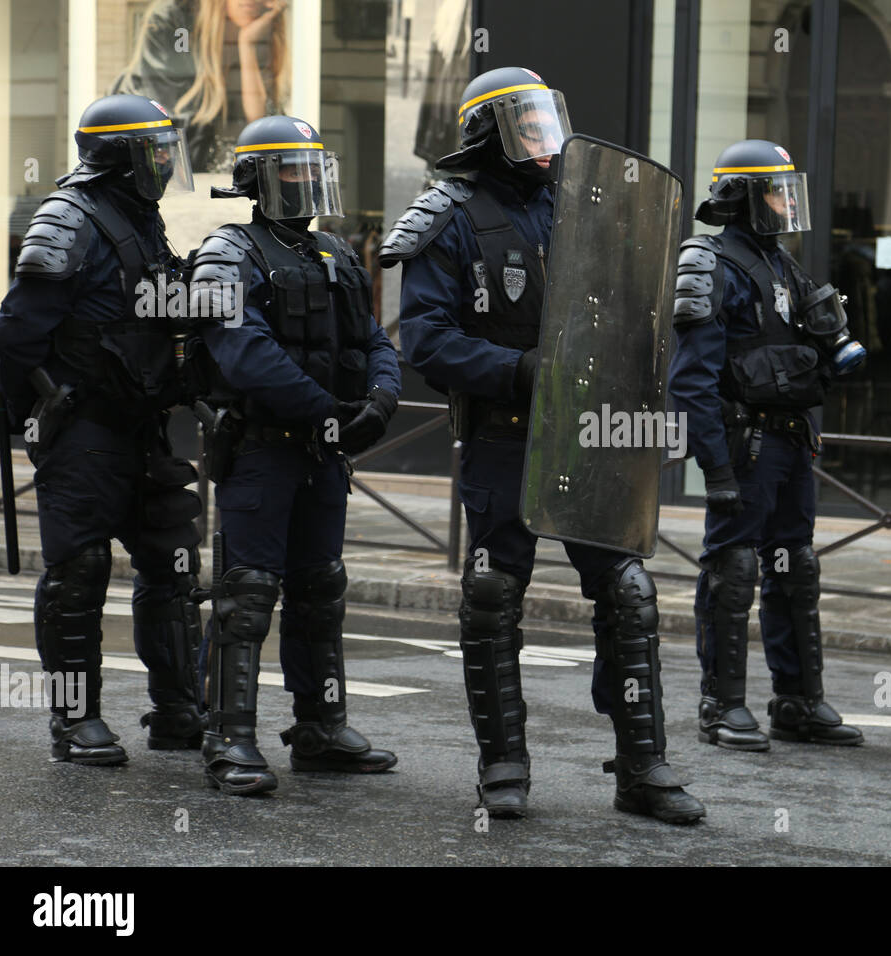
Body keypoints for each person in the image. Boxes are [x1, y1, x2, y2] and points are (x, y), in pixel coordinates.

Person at [379, 67, 705, 824]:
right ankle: (503, 766)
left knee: (629, 592)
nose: (544, 139)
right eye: (527, 125)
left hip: (589, 436)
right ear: (490, 133)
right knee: (494, 597)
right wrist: (521, 370)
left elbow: (630, 309)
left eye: (546, 122)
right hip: (505, 434)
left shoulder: (584, 205)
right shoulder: (447, 216)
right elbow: (426, 339)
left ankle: (643, 768)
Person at [0, 93, 206, 763]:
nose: (168, 161)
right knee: (79, 571)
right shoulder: (69, 218)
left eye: (171, 148)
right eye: (156, 149)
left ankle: (178, 711)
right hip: (83, 434)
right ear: (119, 157)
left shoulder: (144, 220)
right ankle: (75, 722)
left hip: (143, 430)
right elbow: (16, 338)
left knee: (173, 567)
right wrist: (45, 409)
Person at [188, 114, 400, 795]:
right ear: (254, 178)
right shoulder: (226, 252)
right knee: (247, 596)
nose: (307, 182)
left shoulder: (334, 253)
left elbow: (373, 342)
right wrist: (328, 410)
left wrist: (381, 402)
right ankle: (229, 738)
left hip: (322, 454)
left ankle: (321, 727)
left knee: (320, 592)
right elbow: (244, 353)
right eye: (291, 169)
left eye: (314, 169)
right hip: (262, 451)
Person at [668, 139, 866, 753]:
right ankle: (721, 705)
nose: (786, 203)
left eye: (789, 191)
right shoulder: (708, 260)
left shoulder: (783, 264)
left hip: (789, 442)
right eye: (776, 191)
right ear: (745, 196)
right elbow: (690, 379)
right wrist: (715, 465)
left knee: (795, 567)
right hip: (744, 444)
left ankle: (798, 701)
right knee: (733, 569)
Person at [112, 0, 290, 173]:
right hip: (145, 165)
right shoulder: (177, 17)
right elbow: (174, 139)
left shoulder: (260, 30)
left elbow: (265, 133)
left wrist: (248, 46)